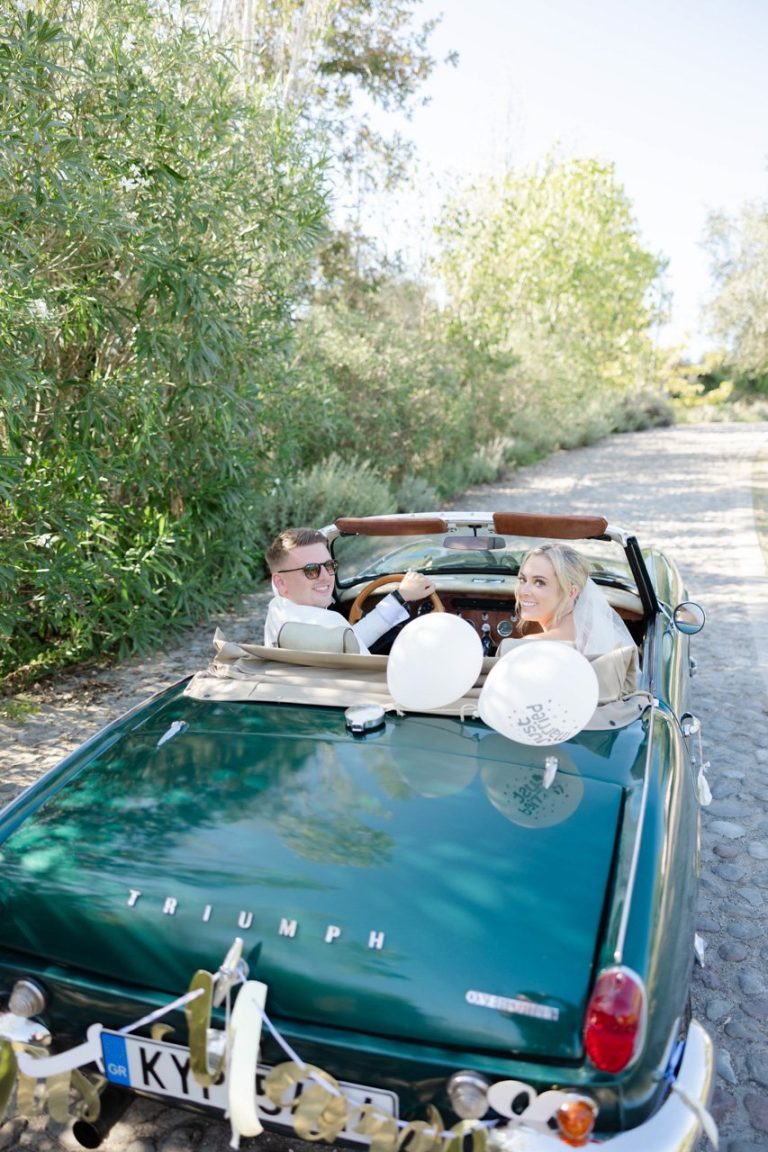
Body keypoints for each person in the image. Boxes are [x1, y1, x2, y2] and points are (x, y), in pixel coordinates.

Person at [264, 528, 436, 653]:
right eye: (311, 570)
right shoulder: (329, 621)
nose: (325, 577)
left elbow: (352, 640)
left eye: (329, 565)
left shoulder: (278, 609)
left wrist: (400, 597)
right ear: (280, 582)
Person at [515, 542, 634, 657]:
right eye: (522, 579)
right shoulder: (602, 637)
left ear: (571, 592)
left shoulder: (530, 646)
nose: (523, 591)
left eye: (539, 582)